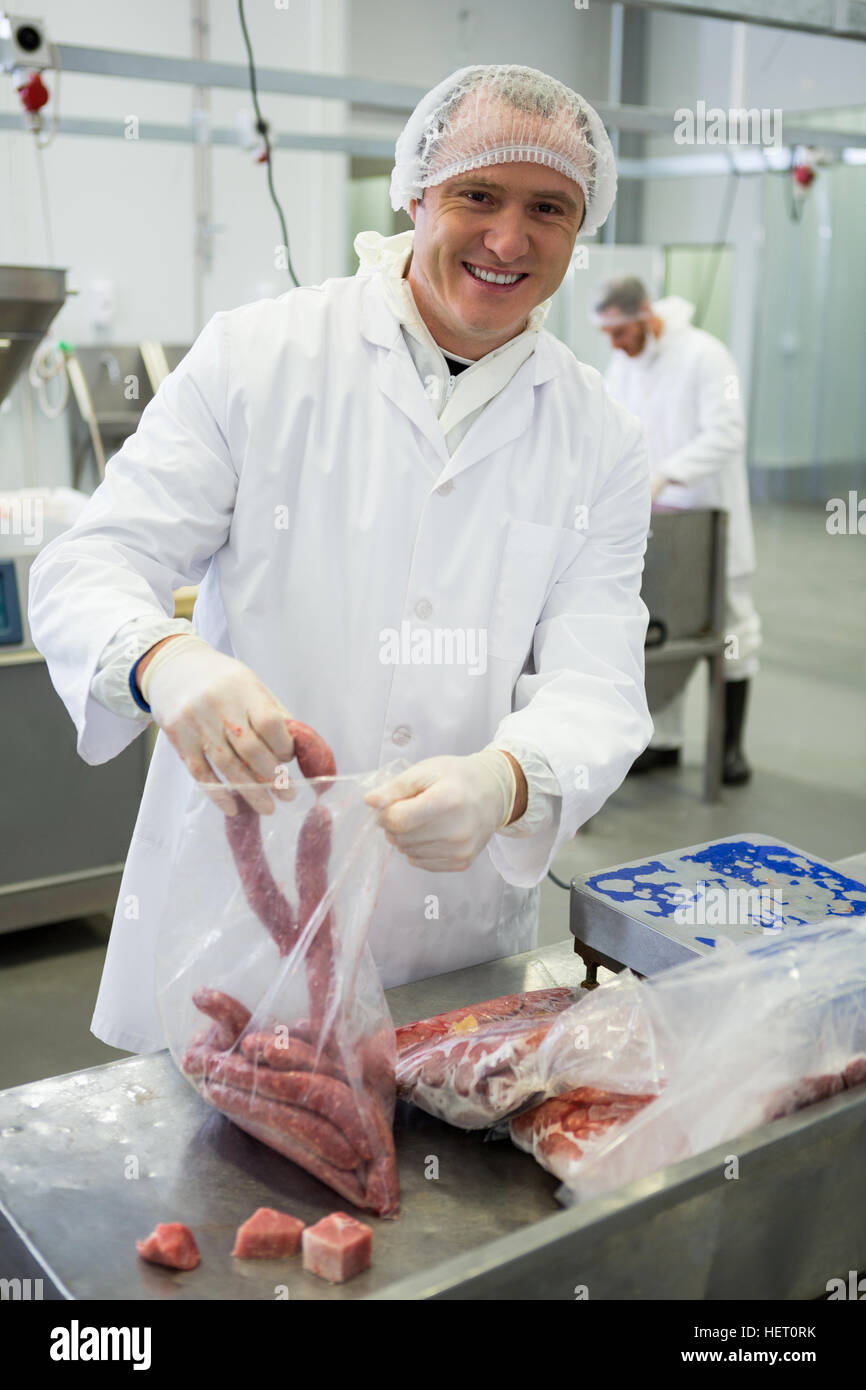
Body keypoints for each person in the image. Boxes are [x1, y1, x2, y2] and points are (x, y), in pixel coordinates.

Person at [29, 65, 653, 1055]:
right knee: (199, 1189)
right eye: (475, 196)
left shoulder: (600, 437)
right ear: (414, 194)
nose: (507, 239)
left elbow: (600, 677)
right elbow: (88, 564)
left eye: (548, 208)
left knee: (433, 1188)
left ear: (582, 227)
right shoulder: (260, 355)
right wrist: (163, 659)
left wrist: (510, 780)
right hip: (239, 914)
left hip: (446, 937)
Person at [594, 275, 761, 785]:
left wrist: (668, 473)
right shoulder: (624, 362)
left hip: (708, 520)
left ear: (645, 315)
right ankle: (663, 742)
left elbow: (727, 430)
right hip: (650, 521)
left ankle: (730, 747)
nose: (615, 345)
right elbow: (606, 423)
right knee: (656, 627)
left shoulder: (706, 356)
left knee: (730, 630)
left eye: (620, 332)